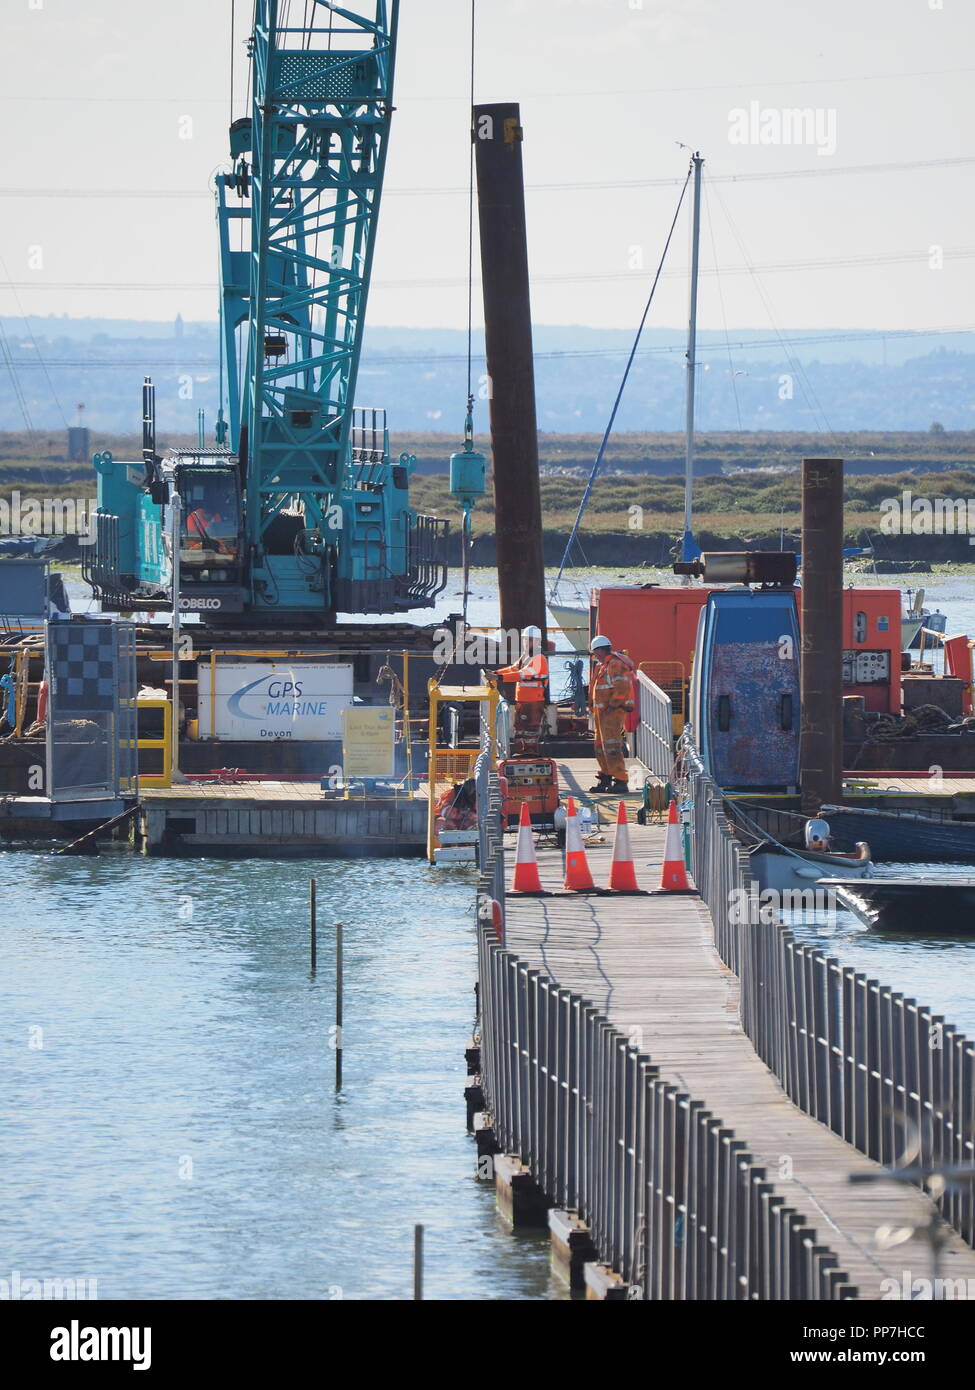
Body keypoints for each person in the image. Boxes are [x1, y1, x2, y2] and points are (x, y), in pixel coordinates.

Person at [588, 634, 636, 794]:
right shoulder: (604, 666)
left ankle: (621, 780)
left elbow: (622, 687)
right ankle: (606, 777)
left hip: (611, 713)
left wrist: (613, 706)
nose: (595, 655)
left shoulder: (615, 664)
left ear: (600, 650)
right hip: (602, 714)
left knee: (612, 746)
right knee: (601, 747)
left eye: (595, 652)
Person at [495, 625, 549, 753]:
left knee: (530, 730)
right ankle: (521, 752)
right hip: (522, 701)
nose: (525, 642)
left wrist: (497, 677)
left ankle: (530, 753)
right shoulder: (525, 658)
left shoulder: (539, 659)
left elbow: (521, 674)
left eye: (529, 640)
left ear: (536, 641)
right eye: (524, 639)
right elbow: (512, 669)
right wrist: (495, 673)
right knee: (519, 729)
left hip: (533, 703)